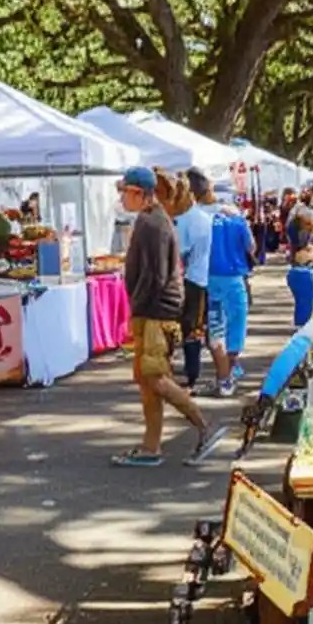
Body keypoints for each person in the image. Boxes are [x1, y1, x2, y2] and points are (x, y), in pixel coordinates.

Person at [114, 167, 210, 467]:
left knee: (154, 377)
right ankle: (151, 446)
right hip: (154, 311)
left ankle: (201, 423)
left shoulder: (152, 223)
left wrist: (138, 307)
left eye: (125, 191)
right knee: (147, 379)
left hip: (156, 312)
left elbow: (154, 276)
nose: (121, 197)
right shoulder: (152, 220)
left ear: (140, 193)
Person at [198, 176, 255, 397]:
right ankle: (228, 375)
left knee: (216, 328)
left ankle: (222, 378)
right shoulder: (237, 219)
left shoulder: (201, 218)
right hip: (233, 277)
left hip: (209, 277)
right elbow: (251, 246)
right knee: (236, 326)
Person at [167, 170, 213, 391]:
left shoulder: (184, 220)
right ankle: (191, 369)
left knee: (183, 325)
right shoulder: (204, 218)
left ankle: (189, 371)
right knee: (194, 326)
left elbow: (181, 251)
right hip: (201, 276)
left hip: (187, 278)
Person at [285, 204, 313, 326]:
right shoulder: (305, 236)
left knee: (302, 304)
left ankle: (301, 327)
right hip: (304, 270)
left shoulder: (295, 232)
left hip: (296, 271)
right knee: (306, 305)